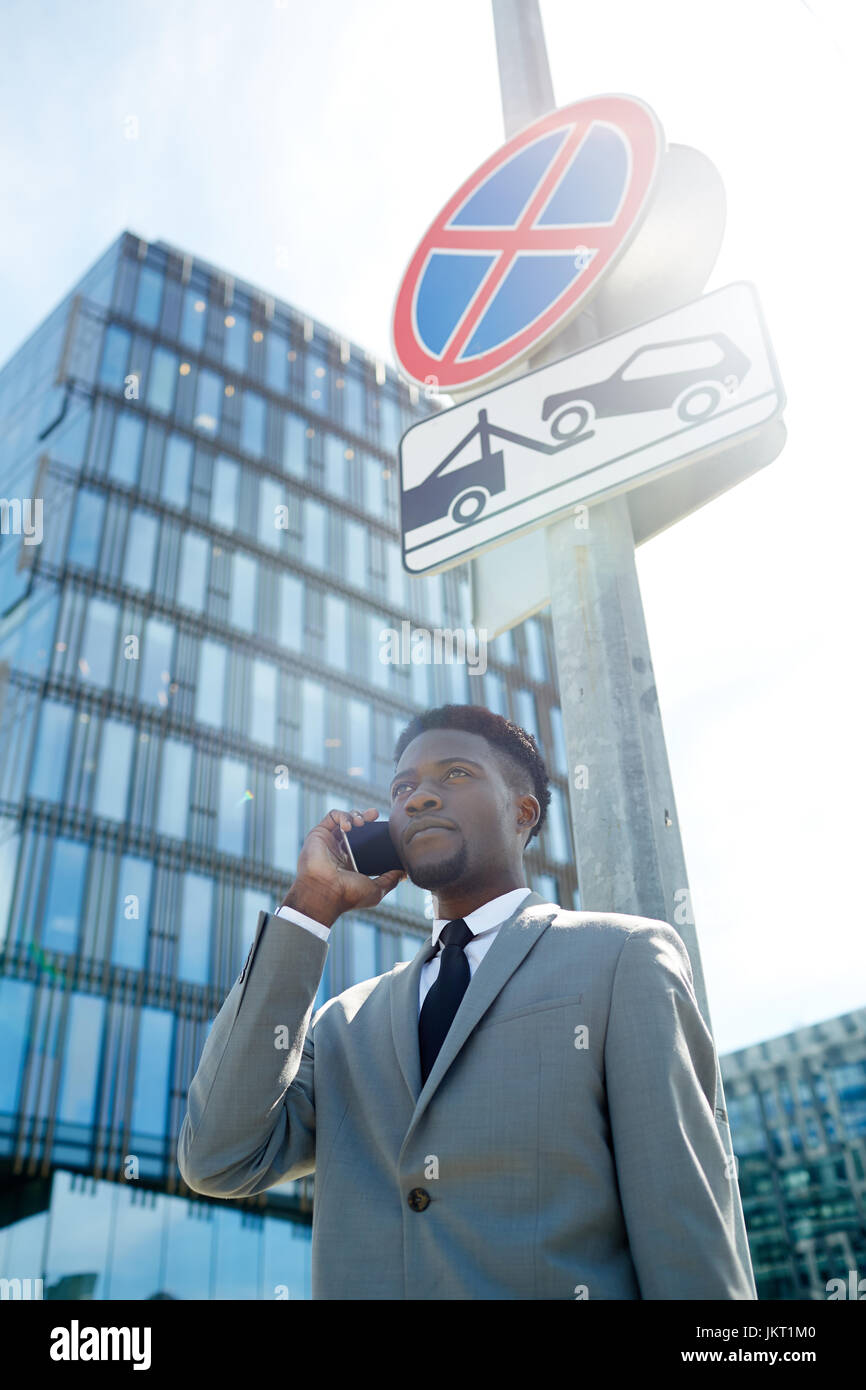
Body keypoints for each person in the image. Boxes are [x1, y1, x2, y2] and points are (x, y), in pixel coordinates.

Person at [177, 703, 756, 1300]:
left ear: (524, 812)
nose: (421, 797)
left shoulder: (624, 957)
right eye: (405, 786)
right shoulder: (345, 1023)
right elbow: (218, 1158)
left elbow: (685, 1230)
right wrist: (310, 903)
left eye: (455, 774)